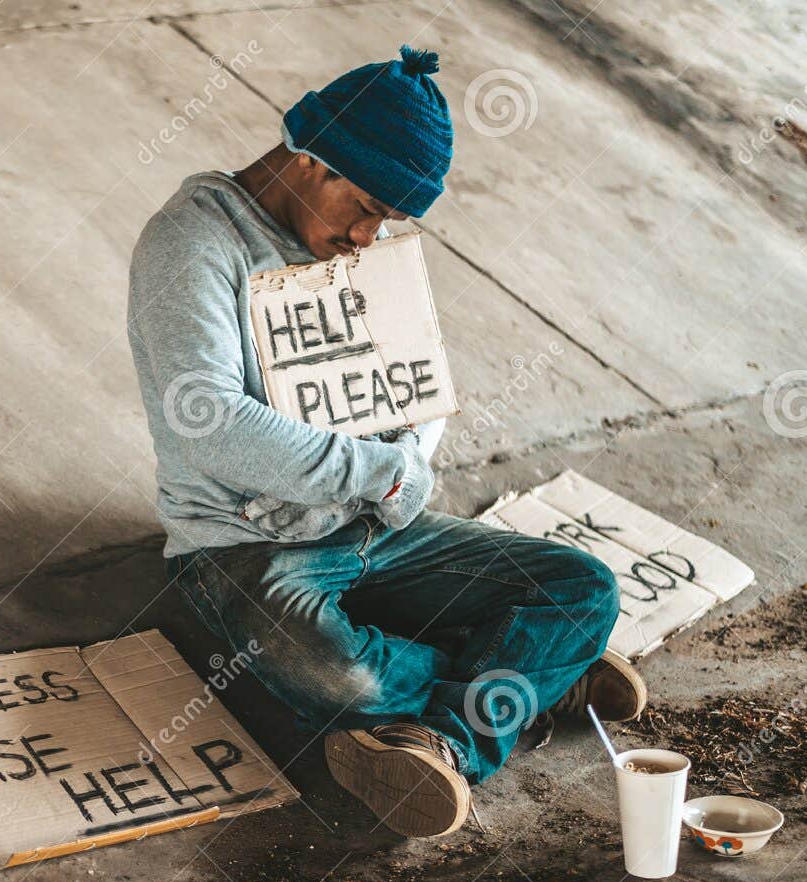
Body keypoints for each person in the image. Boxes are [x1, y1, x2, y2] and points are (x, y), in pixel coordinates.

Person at [126, 45, 645, 838]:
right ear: (314, 159)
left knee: (584, 589)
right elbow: (214, 429)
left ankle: (448, 732)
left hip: (375, 528)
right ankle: (523, 681)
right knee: (344, 678)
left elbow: (413, 387)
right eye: (366, 206)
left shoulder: (354, 244)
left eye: (392, 221)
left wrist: (407, 454)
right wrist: (380, 470)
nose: (371, 236)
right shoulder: (192, 245)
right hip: (246, 548)